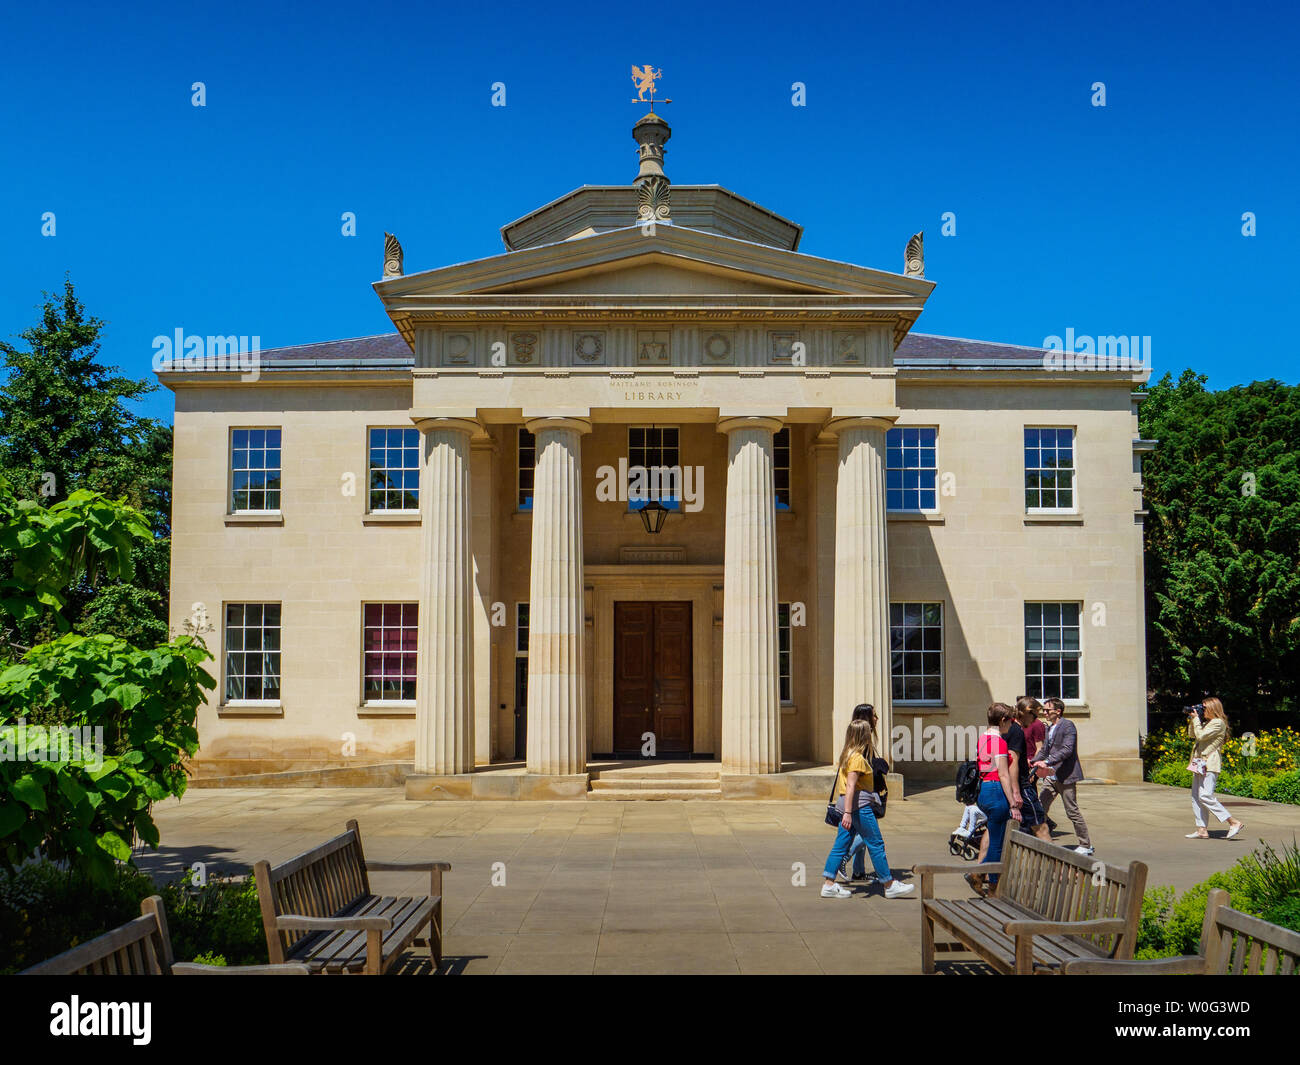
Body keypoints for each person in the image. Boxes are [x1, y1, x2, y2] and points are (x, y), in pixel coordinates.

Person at [821, 718, 914, 899]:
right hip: (859, 807)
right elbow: (850, 786)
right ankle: (889, 884)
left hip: (850, 806)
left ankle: (829, 884)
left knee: (840, 846)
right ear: (864, 736)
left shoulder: (847, 754)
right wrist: (848, 813)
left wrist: (847, 812)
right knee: (876, 844)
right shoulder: (857, 758)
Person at [967, 703, 1021, 896]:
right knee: (997, 844)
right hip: (996, 791)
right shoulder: (1000, 742)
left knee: (994, 836)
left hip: (983, 792)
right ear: (1003, 720)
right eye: (1011, 721)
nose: (1012, 725)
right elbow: (1003, 774)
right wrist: (1013, 803)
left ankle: (980, 875)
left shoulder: (982, 738)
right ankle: (992, 886)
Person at [1033, 697, 1093, 855]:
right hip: (1051, 777)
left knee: (1072, 811)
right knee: (1040, 808)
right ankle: (1041, 838)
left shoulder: (1068, 726)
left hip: (1066, 776)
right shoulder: (1049, 728)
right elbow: (1045, 750)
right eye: (1044, 710)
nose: (1044, 713)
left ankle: (1086, 845)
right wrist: (1032, 762)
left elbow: (1067, 749)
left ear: (1058, 711)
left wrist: (1047, 761)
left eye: (1047, 710)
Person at [1186, 697, 1245, 840]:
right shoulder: (1207, 723)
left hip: (1210, 763)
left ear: (1213, 709)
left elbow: (1200, 736)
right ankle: (1202, 829)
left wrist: (1196, 720)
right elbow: (1192, 734)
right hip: (1200, 762)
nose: (1202, 710)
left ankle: (1233, 822)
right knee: (1196, 797)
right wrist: (1193, 719)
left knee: (1205, 795)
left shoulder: (1218, 723)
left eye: (1204, 708)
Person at [837, 704, 881, 883]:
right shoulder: (863, 741)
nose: (877, 718)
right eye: (875, 715)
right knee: (869, 835)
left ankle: (858, 871)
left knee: (859, 832)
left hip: (860, 796)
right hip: (861, 797)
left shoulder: (857, 737)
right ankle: (845, 857)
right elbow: (857, 774)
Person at [1013, 696, 1051, 844]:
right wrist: (1017, 790)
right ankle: (1055, 863)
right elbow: (1012, 762)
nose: (1035, 718)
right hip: (1022, 785)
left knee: (997, 827)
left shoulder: (1012, 728)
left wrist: (1032, 764)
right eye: (1034, 715)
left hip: (1022, 778)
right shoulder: (1017, 731)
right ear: (1026, 712)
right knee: (1041, 827)